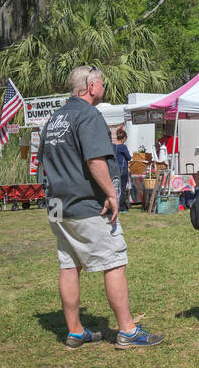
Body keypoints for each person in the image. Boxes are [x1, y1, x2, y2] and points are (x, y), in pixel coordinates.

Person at [38, 65, 162, 349]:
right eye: (102, 83)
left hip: (57, 205)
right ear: (91, 87)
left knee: (69, 265)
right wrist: (112, 194)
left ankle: (75, 330)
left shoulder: (54, 119)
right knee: (114, 260)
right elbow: (95, 160)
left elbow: (43, 161)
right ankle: (128, 331)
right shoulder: (88, 115)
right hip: (85, 204)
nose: (103, 87)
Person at [112, 126, 132, 211]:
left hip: (114, 168)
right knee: (122, 188)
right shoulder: (123, 147)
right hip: (123, 169)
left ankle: (115, 205)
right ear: (123, 138)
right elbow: (129, 157)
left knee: (115, 188)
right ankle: (120, 207)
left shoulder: (112, 146)